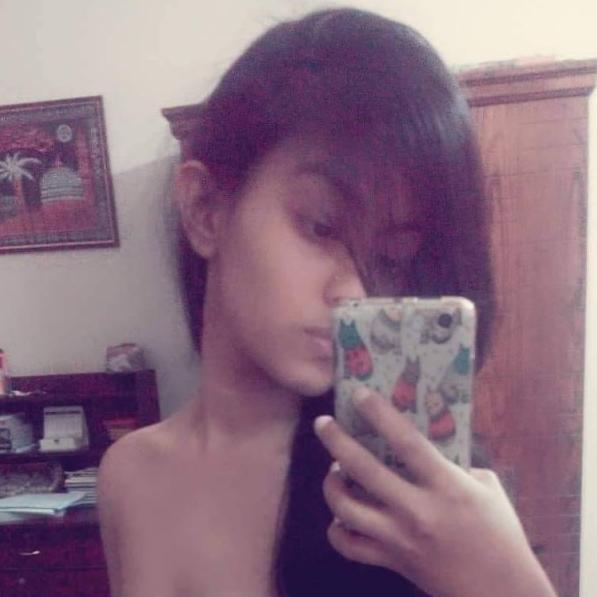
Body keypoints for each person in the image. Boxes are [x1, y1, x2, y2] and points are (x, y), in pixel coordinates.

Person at [97, 7, 558, 597]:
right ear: (205, 211)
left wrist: (504, 579)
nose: (355, 293)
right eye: (321, 227)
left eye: (390, 259)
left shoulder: (405, 499)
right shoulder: (128, 476)